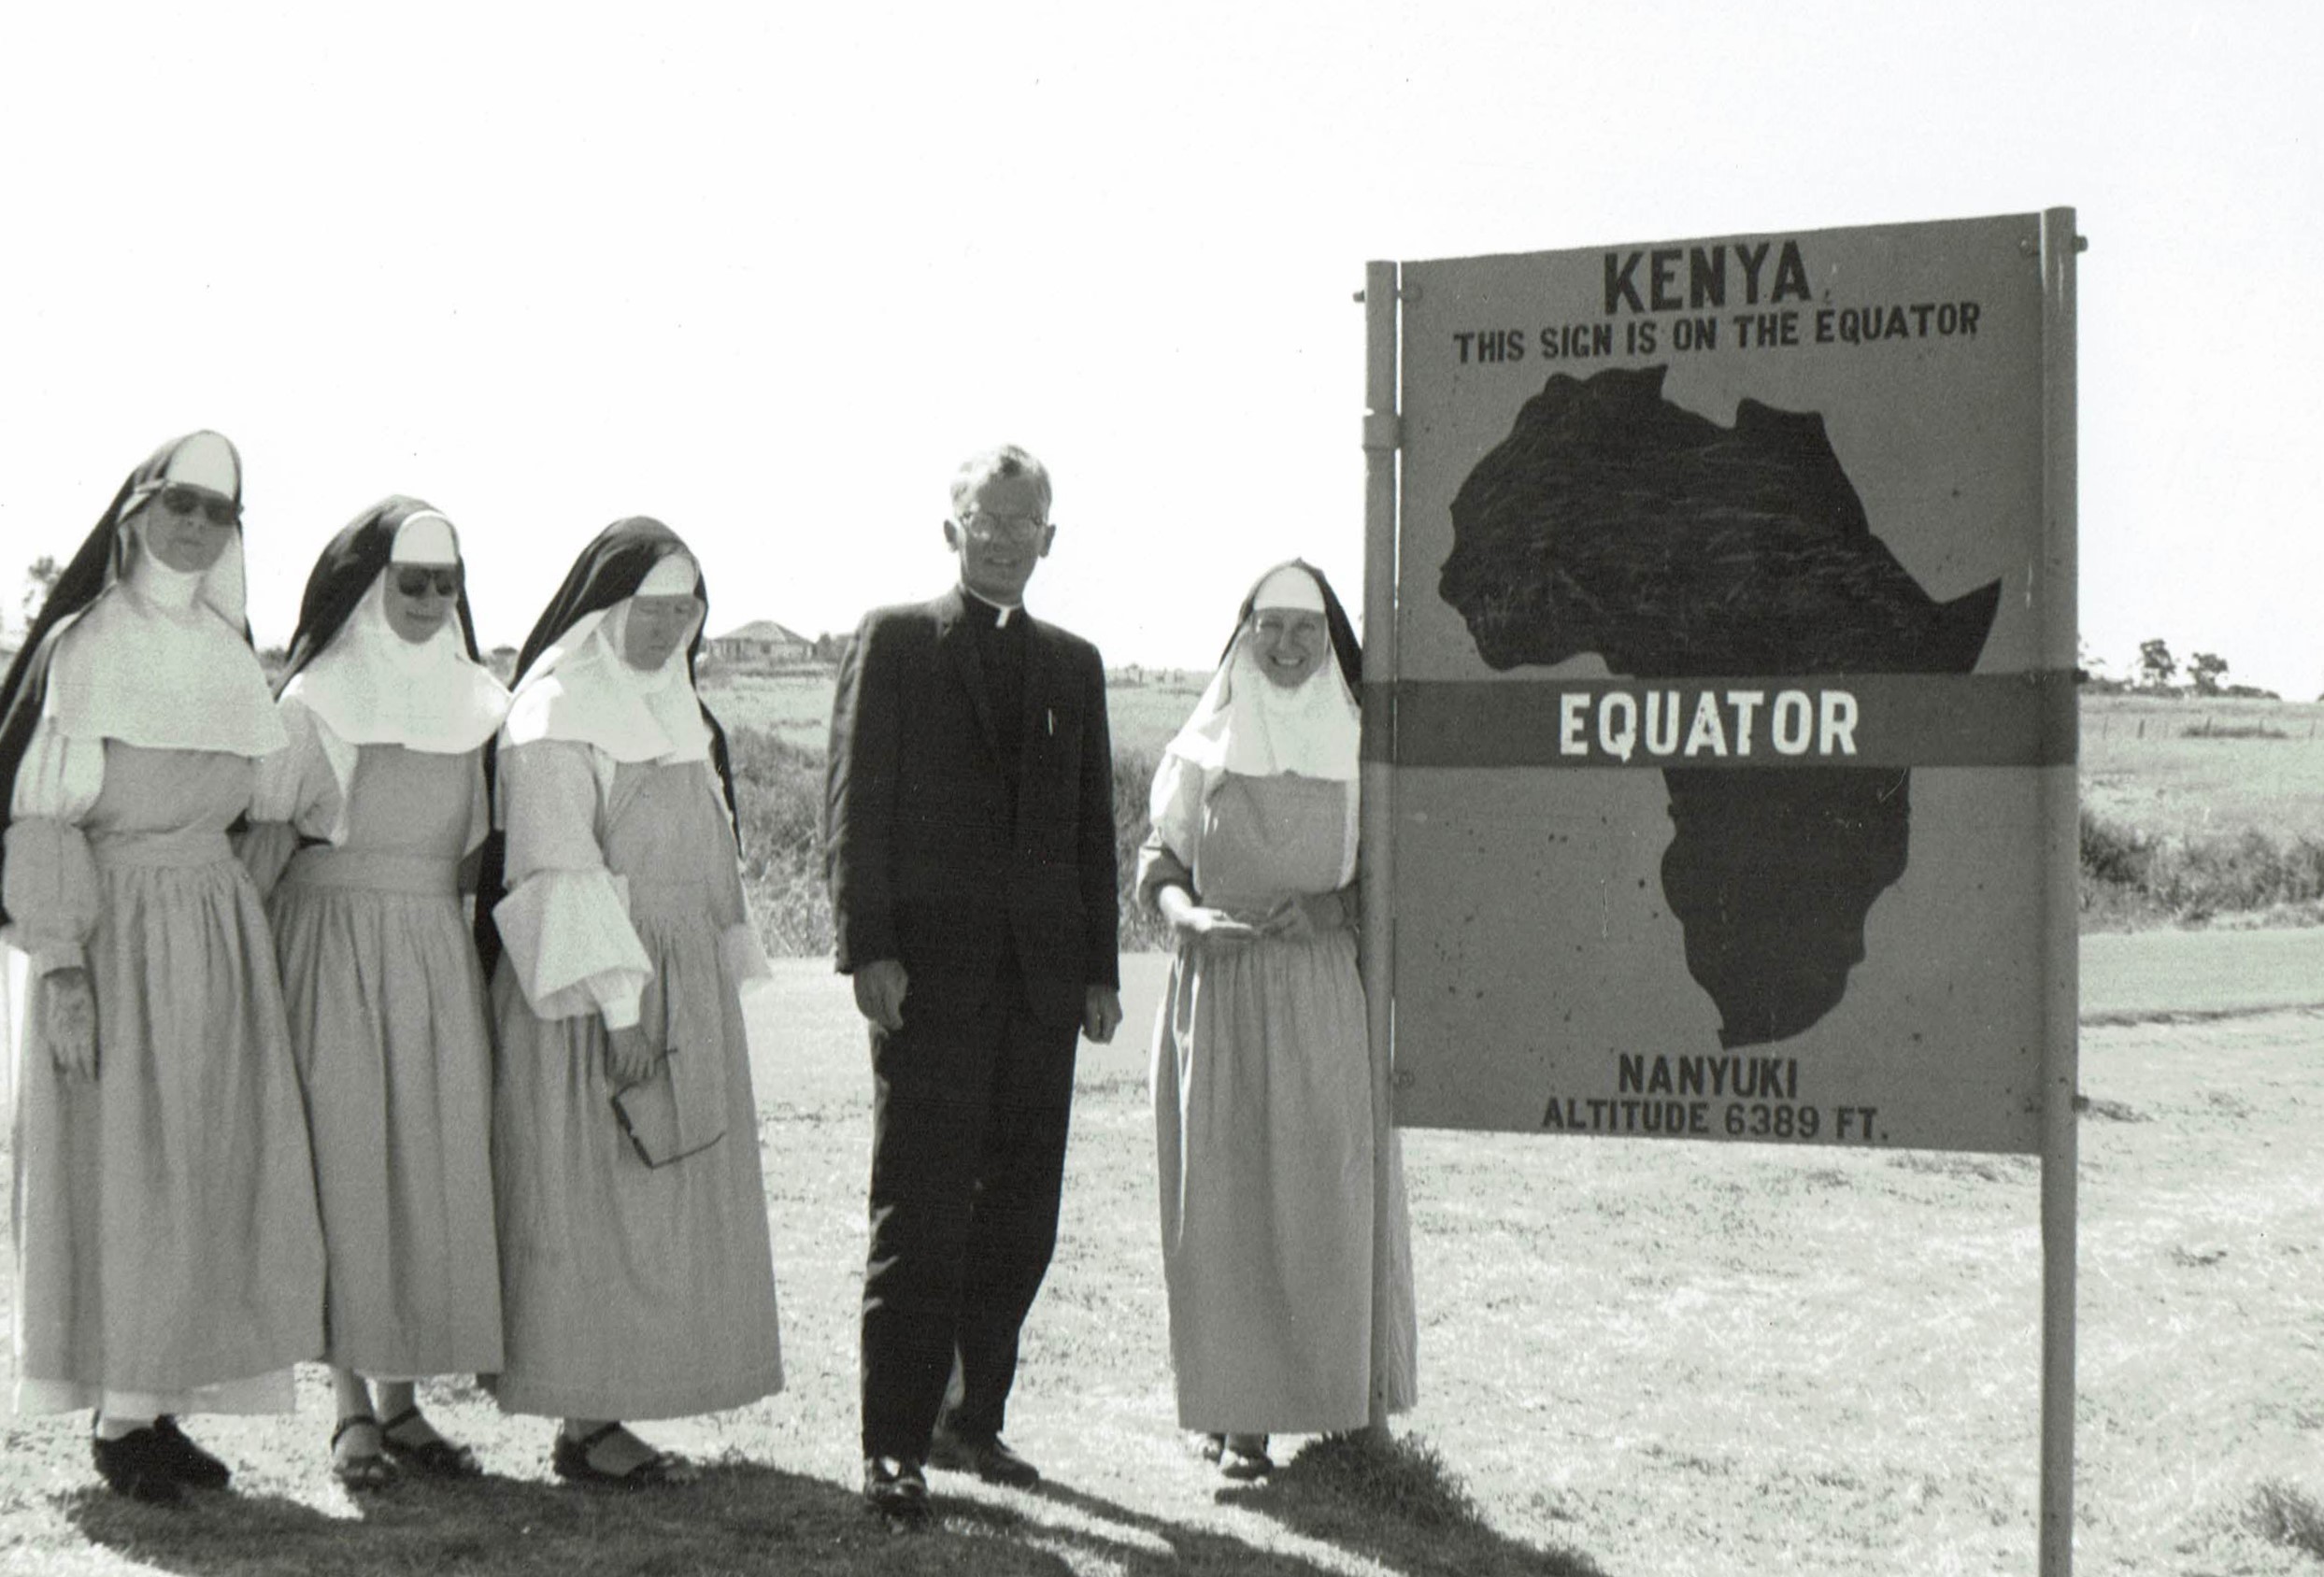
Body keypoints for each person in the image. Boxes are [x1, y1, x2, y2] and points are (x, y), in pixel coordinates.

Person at [0, 431, 325, 1503]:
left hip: (214, 932)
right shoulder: (88, 648)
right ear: (136, 512)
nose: (196, 526)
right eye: (180, 502)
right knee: (125, 1166)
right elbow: (43, 821)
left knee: (204, 1158)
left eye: (218, 512)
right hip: (117, 929)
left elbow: (266, 799)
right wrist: (62, 965)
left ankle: (156, 1404)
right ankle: (117, 1415)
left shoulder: (233, 653)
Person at [825, 444, 1121, 1518]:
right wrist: (869, 947)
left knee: (1018, 1222)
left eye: (1021, 522)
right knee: (922, 1212)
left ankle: (972, 1418)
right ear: (950, 530)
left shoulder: (1075, 665)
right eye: (981, 522)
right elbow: (856, 808)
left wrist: (1100, 970)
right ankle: (893, 1442)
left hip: (1042, 993)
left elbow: (1094, 827)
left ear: (1051, 534)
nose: (1001, 540)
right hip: (930, 988)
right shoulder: (897, 641)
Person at [476, 518, 781, 1486]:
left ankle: (620, 1398)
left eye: (684, 611)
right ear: (606, 609)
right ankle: (585, 1414)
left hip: (677, 980)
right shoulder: (557, 709)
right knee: (590, 1199)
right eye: (648, 608)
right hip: (593, 986)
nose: (665, 628)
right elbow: (561, 869)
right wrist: (622, 1010)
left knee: (656, 1204)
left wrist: (717, 975)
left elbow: (711, 860)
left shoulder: (681, 707)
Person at [243, 497, 509, 1488]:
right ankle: (352, 1404)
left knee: (428, 1167)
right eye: (412, 582)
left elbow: (482, 851)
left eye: (448, 583)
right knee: (349, 1166)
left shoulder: (480, 700)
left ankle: (404, 1401)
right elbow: (265, 838)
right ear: (369, 585)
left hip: (435, 955)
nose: (433, 600)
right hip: (334, 951)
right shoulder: (313, 703)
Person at [1137, 560, 1418, 1479]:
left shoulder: (1365, 748)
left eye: (1307, 630)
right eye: (1273, 628)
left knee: (1324, 1198)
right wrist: (1182, 913)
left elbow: (1394, 872)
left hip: (1318, 997)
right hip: (1215, 996)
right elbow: (1159, 859)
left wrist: (1333, 912)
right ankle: (1235, 1419)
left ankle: (1341, 1402)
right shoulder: (1204, 743)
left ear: (1330, 637)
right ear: (1245, 632)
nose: (1291, 647)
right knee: (1221, 1205)